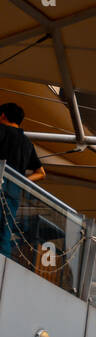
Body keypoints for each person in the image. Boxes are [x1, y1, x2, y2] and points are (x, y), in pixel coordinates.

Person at [0, 102, 46, 260]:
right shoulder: (27, 143)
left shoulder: (1, 130)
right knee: (4, 235)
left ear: (3, 115)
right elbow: (41, 173)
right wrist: (20, 180)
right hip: (13, 193)